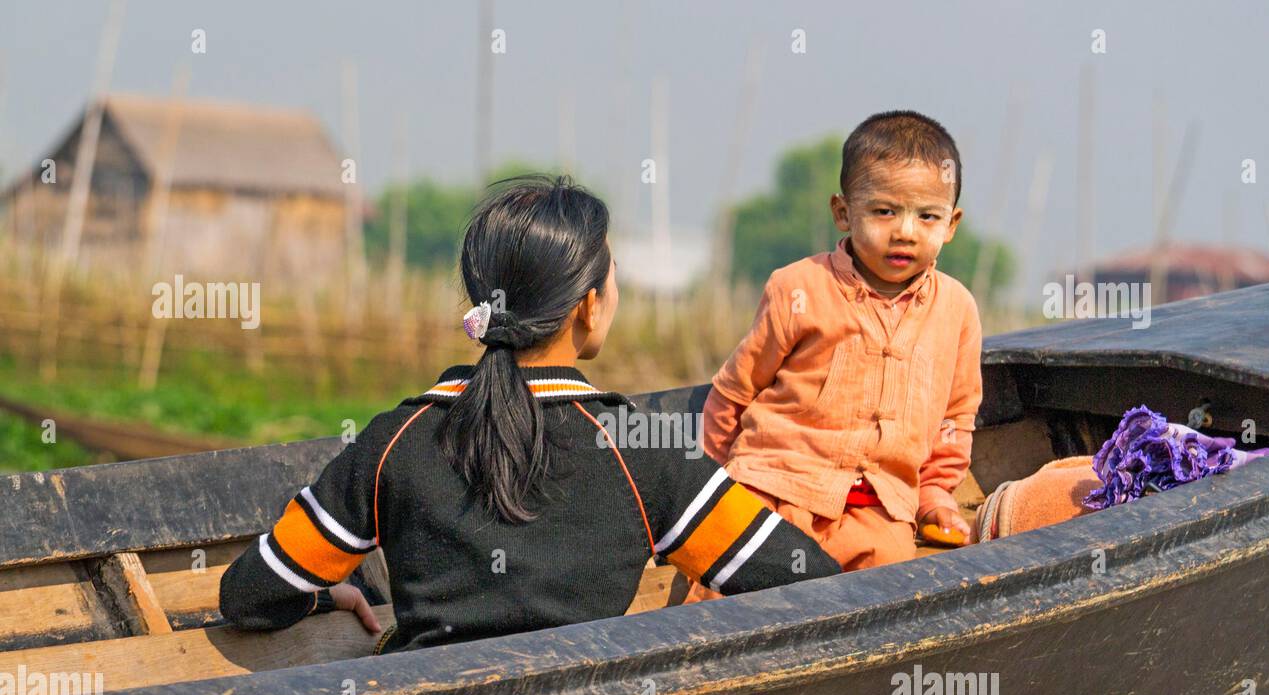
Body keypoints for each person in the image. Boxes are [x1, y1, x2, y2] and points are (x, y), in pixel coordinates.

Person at [219, 175, 842, 654]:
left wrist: (324, 592)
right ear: (590, 307)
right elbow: (806, 579)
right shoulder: (638, 446)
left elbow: (248, 596)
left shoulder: (396, 440)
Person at [686, 110, 983, 602]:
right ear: (844, 213)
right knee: (725, 602)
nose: (906, 231)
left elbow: (956, 415)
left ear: (950, 225)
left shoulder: (957, 311)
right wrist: (712, 489)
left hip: (879, 508)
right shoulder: (798, 288)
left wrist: (934, 495)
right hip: (774, 488)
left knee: (887, 598)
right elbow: (735, 391)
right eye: (884, 212)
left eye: (926, 216)